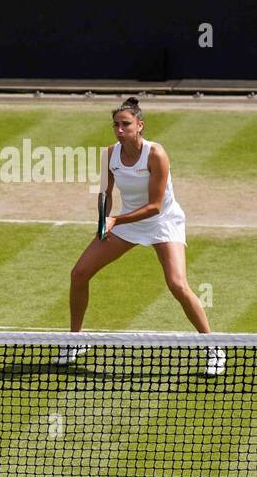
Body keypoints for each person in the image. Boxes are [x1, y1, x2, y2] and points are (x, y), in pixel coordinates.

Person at [58, 96, 224, 375]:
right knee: (79, 273)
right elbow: (105, 193)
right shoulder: (109, 155)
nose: (119, 130)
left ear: (140, 126)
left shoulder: (156, 154)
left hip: (162, 222)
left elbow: (155, 206)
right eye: (116, 125)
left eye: (125, 124)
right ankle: (75, 340)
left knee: (177, 284)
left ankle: (213, 348)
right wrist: (103, 218)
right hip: (127, 223)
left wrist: (114, 219)